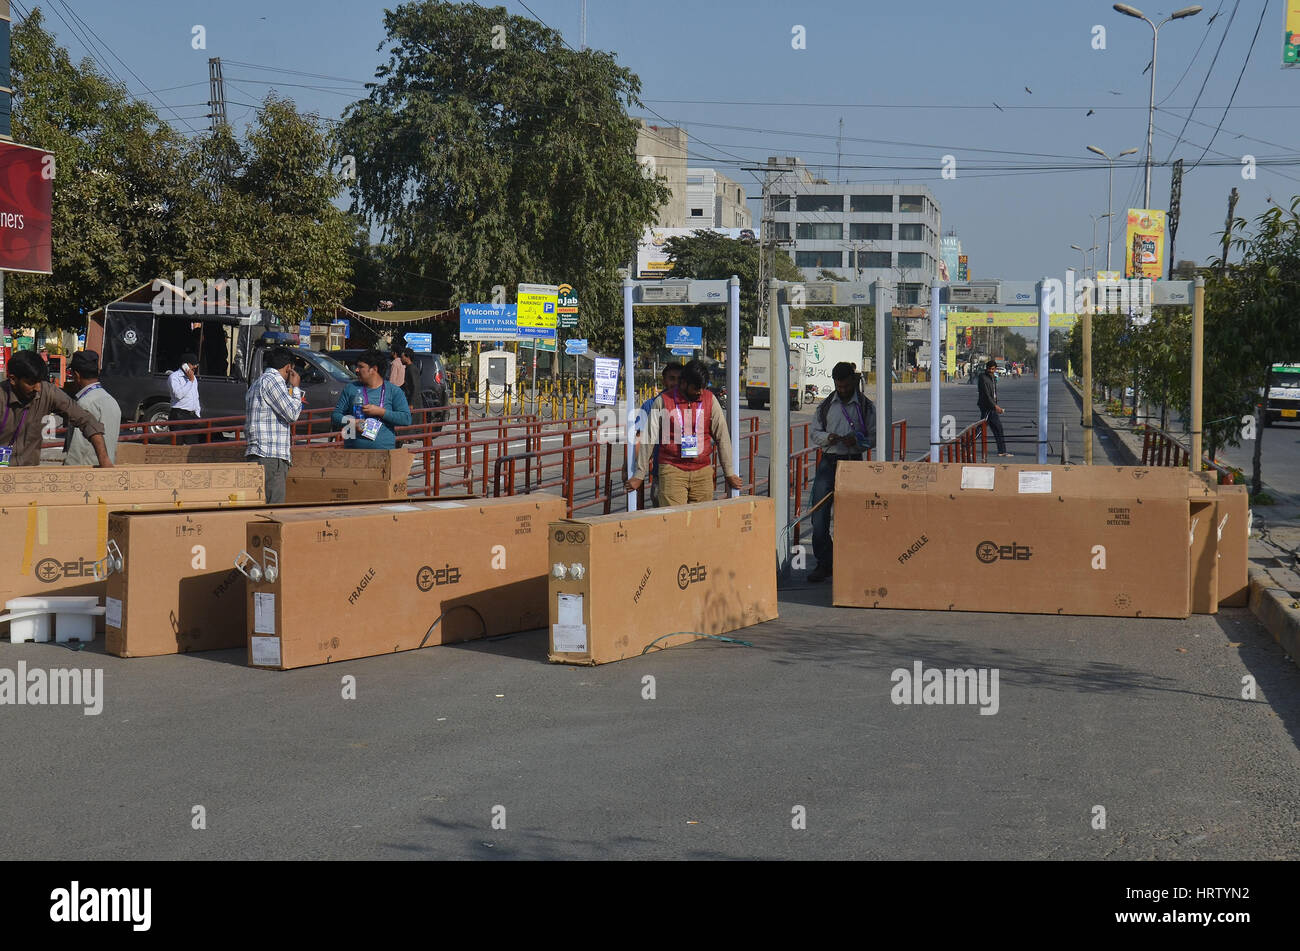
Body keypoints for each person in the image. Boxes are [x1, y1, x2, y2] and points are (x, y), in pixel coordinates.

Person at [626, 359, 742, 506]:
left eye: (702, 388)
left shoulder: (710, 399)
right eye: (696, 388)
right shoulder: (662, 401)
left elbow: (722, 437)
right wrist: (639, 474)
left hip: (703, 471)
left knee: (702, 521)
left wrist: (729, 473)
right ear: (684, 382)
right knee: (674, 521)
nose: (699, 392)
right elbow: (648, 438)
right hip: (672, 470)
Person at [806, 362, 876, 583]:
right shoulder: (826, 406)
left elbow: (875, 436)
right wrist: (829, 438)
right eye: (839, 386)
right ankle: (824, 562)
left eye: (846, 386)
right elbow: (814, 433)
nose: (843, 390)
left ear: (853, 382)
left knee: (852, 517)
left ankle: (849, 562)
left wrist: (858, 441)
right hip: (829, 461)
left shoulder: (866, 407)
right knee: (819, 516)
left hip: (853, 462)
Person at [1, 350, 112, 468]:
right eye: (31, 383)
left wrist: (104, 460)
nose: (38, 388)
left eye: (40, 381)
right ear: (13, 379)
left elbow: (86, 420)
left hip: (29, 473)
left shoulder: (47, 392)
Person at [245, 347, 305, 503]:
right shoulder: (273, 381)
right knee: (273, 508)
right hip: (271, 456)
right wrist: (295, 388)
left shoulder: (258, 382)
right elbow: (293, 414)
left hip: (259, 454)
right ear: (288, 368)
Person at [332, 348, 412, 450]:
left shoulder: (394, 391)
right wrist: (351, 422)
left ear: (374, 369)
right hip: (353, 452)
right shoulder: (351, 388)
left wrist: (381, 412)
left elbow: (406, 419)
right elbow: (335, 416)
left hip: (384, 453)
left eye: (361, 367)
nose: (356, 370)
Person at [633, 362, 682, 505]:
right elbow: (639, 438)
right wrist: (631, 468)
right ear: (664, 381)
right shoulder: (650, 405)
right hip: (662, 473)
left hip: (689, 471)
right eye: (672, 378)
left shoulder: (692, 404)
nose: (676, 383)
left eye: (679, 379)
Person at [62, 350, 121, 466]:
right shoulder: (111, 400)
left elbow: (77, 449)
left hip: (86, 472)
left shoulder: (84, 403)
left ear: (77, 375)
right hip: (106, 469)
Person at [978, 359, 1011, 456]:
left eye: (992, 369)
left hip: (991, 406)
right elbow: (986, 394)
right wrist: (995, 406)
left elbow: (993, 393)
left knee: (997, 429)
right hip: (988, 407)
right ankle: (966, 447)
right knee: (980, 429)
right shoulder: (983, 377)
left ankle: (1002, 451)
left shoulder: (992, 378)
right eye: (989, 369)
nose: (991, 371)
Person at [168, 352, 203, 444]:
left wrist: (197, 413)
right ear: (184, 365)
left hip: (192, 415)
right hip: (179, 414)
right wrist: (190, 381)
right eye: (193, 364)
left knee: (193, 445)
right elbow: (178, 395)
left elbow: (196, 397)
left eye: (196, 364)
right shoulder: (174, 377)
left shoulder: (194, 378)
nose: (195, 367)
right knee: (177, 445)